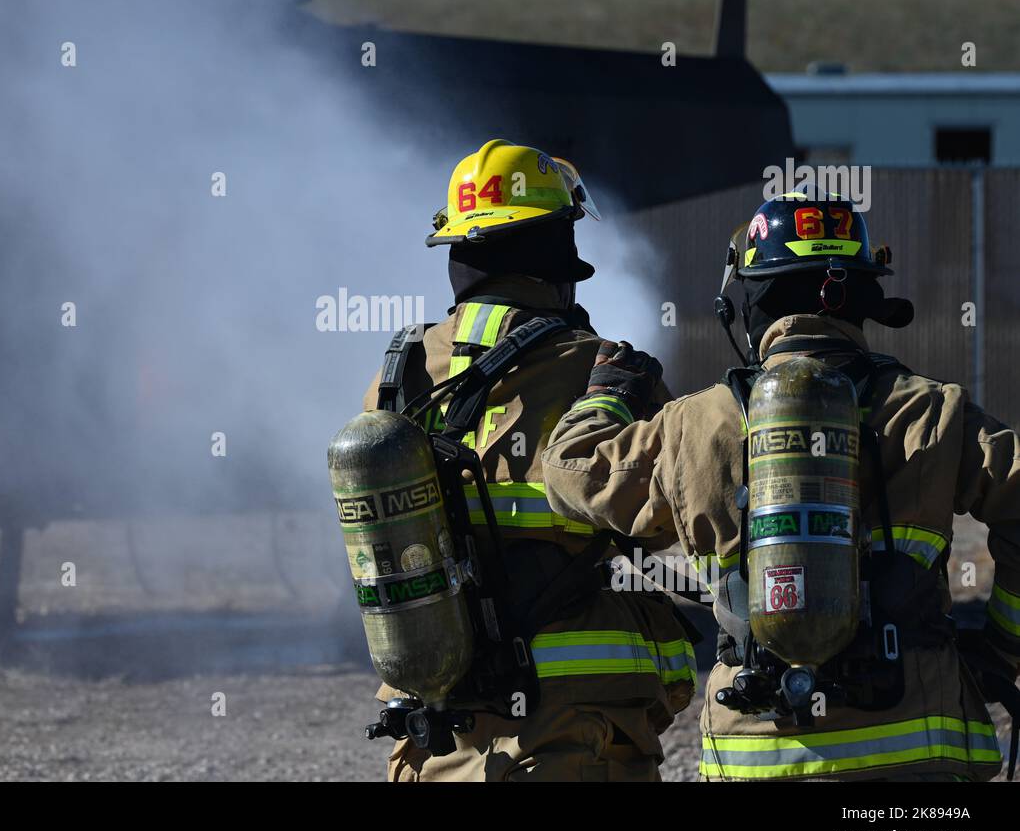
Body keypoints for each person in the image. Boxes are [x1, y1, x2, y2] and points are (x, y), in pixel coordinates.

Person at [543, 190, 1020, 781]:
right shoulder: (931, 413)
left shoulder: (695, 424)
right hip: (917, 753)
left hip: (758, 756)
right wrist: (1002, 647)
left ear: (747, 303)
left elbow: (570, 479)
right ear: (859, 298)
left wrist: (606, 397)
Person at [363, 138, 695, 782]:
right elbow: (674, 527)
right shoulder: (609, 372)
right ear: (555, 251)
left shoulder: (395, 376)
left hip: (440, 716)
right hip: (578, 718)